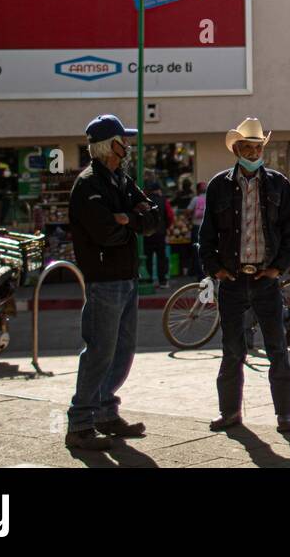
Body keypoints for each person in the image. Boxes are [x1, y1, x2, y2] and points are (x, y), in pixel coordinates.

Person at [66, 115, 161, 450]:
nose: (129, 146)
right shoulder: (89, 183)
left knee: (122, 349)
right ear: (111, 145)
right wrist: (132, 221)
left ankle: (106, 411)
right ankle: (80, 423)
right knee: (99, 351)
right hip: (104, 279)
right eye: (125, 140)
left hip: (125, 275)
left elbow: (154, 218)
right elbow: (106, 233)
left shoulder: (119, 178)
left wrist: (130, 218)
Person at [201, 117, 290, 434]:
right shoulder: (219, 185)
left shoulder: (278, 184)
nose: (254, 152)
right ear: (237, 149)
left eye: (258, 147)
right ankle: (230, 413)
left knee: (277, 349)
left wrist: (277, 268)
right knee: (232, 351)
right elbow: (206, 236)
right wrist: (215, 269)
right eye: (248, 147)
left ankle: (285, 416)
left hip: (264, 280)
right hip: (232, 281)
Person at [141, 175, 173, 290]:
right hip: (160, 233)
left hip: (147, 234)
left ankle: (148, 279)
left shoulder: (145, 201)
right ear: (158, 190)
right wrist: (166, 227)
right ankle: (162, 281)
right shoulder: (164, 201)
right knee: (161, 258)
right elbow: (170, 216)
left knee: (148, 257)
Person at [185, 187, 207, 279]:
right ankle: (208, 272)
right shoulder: (210, 197)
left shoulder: (196, 199)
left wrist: (190, 218)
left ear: (198, 190)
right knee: (207, 249)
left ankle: (200, 275)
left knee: (197, 250)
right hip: (207, 226)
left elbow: (188, 211)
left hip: (197, 226)